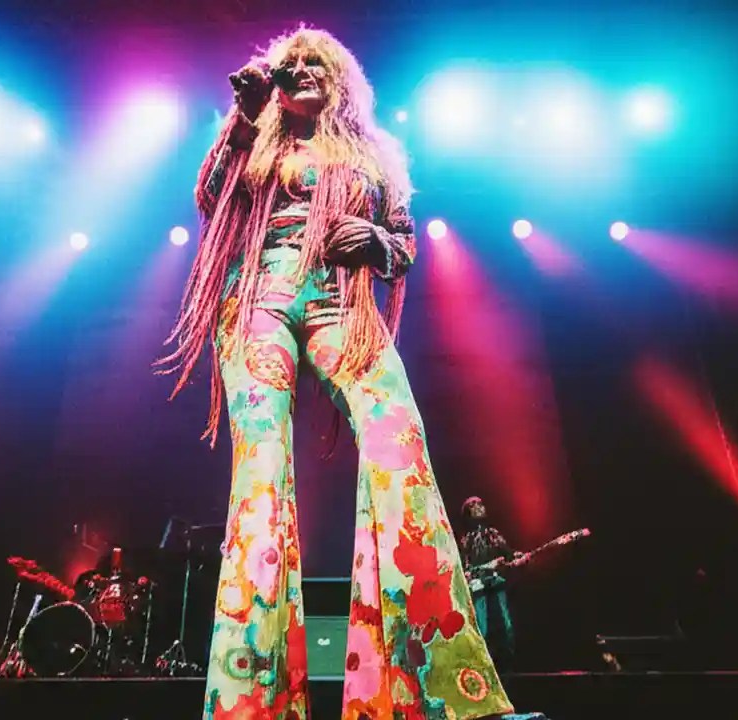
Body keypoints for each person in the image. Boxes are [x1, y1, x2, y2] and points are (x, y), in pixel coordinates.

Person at [158, 25, 514, 720]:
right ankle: (249, 700)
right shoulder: (258, 139)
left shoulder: (376, 154)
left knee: (399, 449)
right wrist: (244, 117)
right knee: (260, 478)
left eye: (314, 60)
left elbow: (404, 244)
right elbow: (210, 200)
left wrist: (379, 241)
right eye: (288, 64)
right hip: (258, 297)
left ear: (341, 75)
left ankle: (431, 688)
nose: (301, 69)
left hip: (337, 301)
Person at [458, 497, 523, 672]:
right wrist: (487, 566)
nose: (479, 507)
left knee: (506, 625)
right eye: (474, 505)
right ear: (467, 513)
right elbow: (465, 569)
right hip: (478, 586)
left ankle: (509, 667)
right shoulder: (465, 539)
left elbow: (508, 553)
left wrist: (517, 557)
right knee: (481, 628)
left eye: (480, 503)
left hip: (496, 583)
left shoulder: (492, 534)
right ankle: (482, 667)